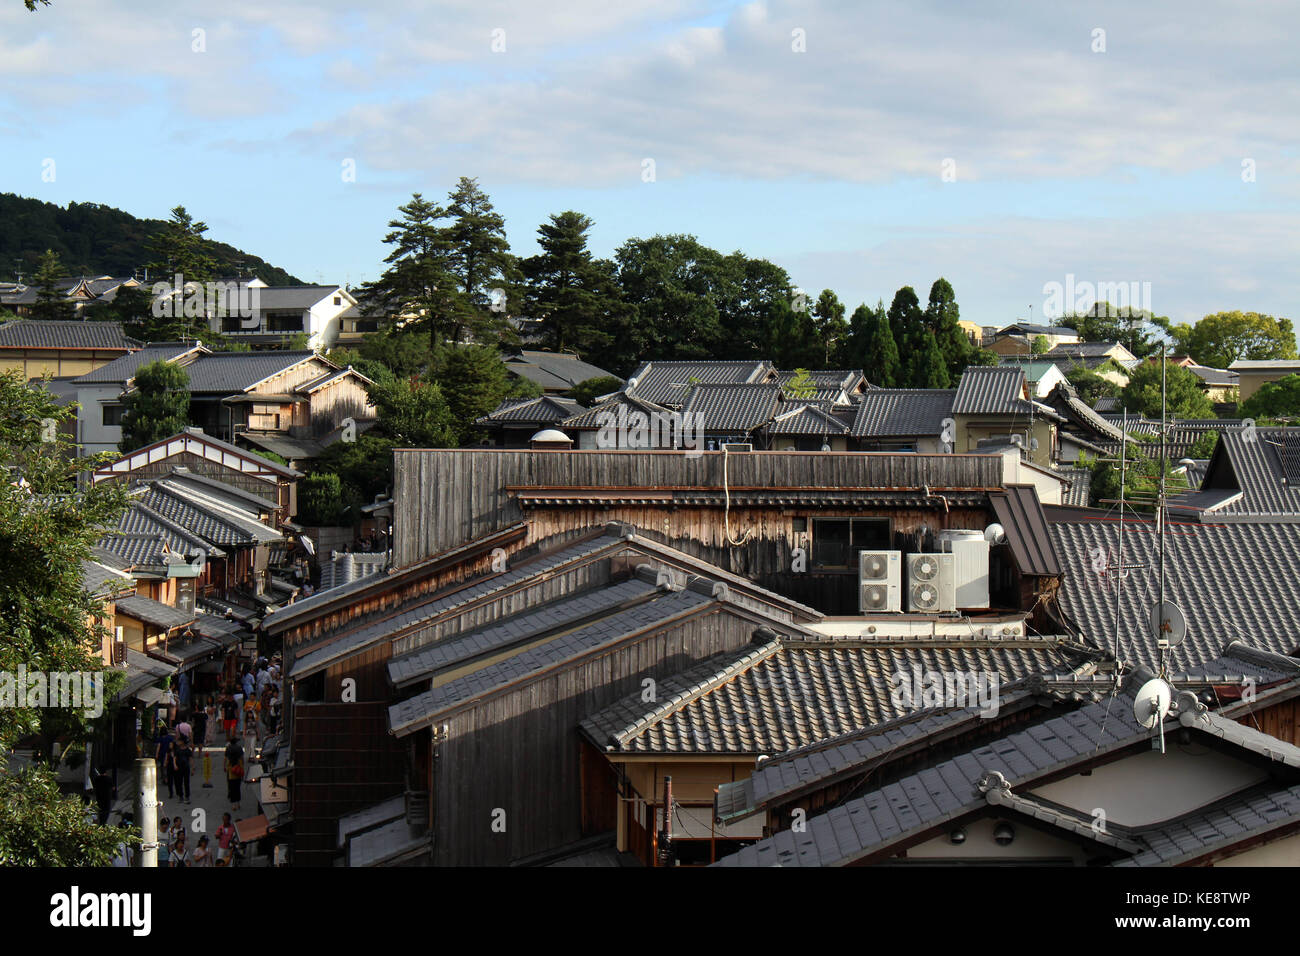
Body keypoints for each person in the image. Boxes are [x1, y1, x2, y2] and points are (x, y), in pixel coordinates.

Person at [155, 724, 176, 800]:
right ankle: (168, 778)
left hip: (162, 754)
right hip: (169, 753)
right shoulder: (170, 738)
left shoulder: (160, 739)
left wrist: (156, 755)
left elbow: (158, 747)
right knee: (168, 766)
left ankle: (164, 778)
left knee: (162, 767)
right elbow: (172, 746)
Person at [172, 731, 193, 804]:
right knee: (179, 782)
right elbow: (174, 758)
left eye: (180, 741)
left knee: (186, 782)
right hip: (179, 767)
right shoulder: (177, 750)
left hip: (186, 767)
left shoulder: (188, 750)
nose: (178, 742)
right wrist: (174, 765)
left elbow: (190, 759)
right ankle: (181, 796)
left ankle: (187, 796)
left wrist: (192, 768)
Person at [224, 738, 244, 810]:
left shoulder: (228, 748)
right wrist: (242, 766)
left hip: (231, 769)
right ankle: (238, 803)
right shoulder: (239, 748)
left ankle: (233, 805)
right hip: (238, 768)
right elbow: (242, 758)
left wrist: (224, 766)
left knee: (231, 787)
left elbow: (225, 758)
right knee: (238, 787)